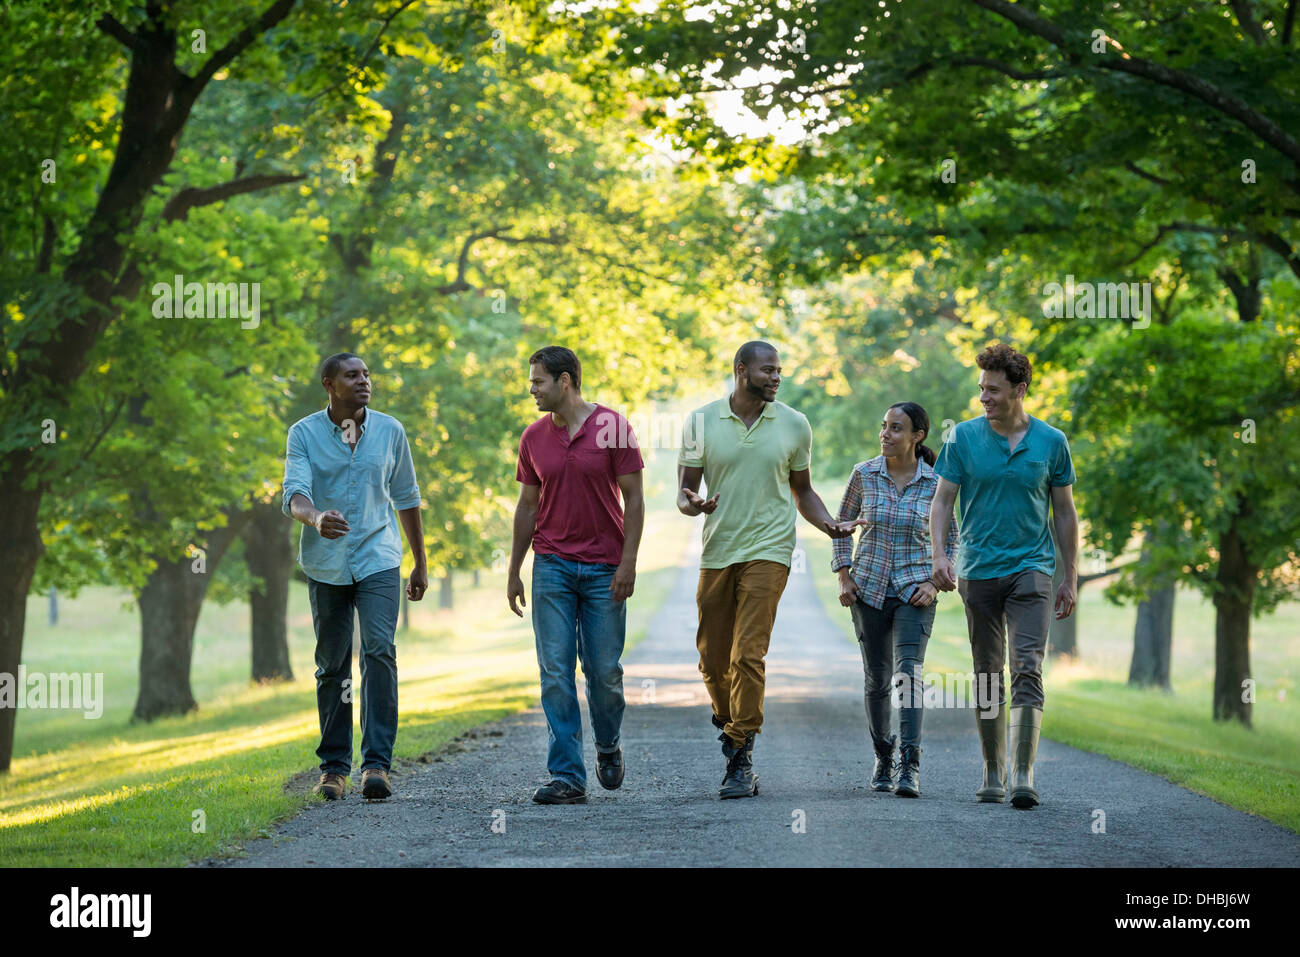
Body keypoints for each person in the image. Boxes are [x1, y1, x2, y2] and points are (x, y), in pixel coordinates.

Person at [678, 340, 862, 800]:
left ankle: (740, 753)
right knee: (712, 659)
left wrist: (830, 525)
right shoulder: (701, 421)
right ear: (742, 371)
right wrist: (693, 504)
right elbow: (684, 491)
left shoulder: (795, 424)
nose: (777, 378)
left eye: (780, 370)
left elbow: (803, 491)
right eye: (768, 370)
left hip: (771, 550)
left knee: (748, 654)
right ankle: (730, 723)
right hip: (719, 550)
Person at [931, 343, 1078, 809]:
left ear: (1019, 389)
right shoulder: (963, 439)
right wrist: (939, 556)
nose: (983, 398)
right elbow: (941, 502)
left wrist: (1069, 575)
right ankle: (992, 769)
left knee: (1028, 667)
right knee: (988, 672)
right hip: (978, 572)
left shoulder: (1052, 442)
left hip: (1032, 570)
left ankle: (1023, 773)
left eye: (992, 390)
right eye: (981, 390)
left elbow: (1065, 512)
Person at [282, 353, 427, 802]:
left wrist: (420, 561)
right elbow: (295, 494)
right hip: (326, 563)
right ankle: (333, 768)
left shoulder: (390, 431)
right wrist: (315, 517)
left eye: (367, 374)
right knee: (331, 664)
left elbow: (406, 497)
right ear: (329, 384)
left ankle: (377, 765)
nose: (364, 381)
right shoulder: (303, 433)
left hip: (379, 557)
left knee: (380, 650)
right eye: (352, 375)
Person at [507, 346, 645, 805]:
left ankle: (607, 744)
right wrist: (514, 570)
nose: (532, 389)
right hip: (552, 566)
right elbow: (527, 507)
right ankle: (567, 775)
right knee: (554, 672)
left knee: (604, 672)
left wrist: (628, 563)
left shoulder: (613, 428)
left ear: (565, 381)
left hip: (606, 568)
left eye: (538, 381)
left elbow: (635, 499)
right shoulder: (533, 438)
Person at [832, 402, 958, 798]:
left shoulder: (937, 481)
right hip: (868, 588)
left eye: (896, 428)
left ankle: (909, 765)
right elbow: (840, 526)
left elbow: (954, 539)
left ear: (917, 436)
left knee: (909, 673)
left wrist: (935, 584)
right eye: (884, 426)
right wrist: (844, 574)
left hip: (915, 591)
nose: (885, 434)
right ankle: (883, 756)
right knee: (877, 679)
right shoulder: (864, 474)